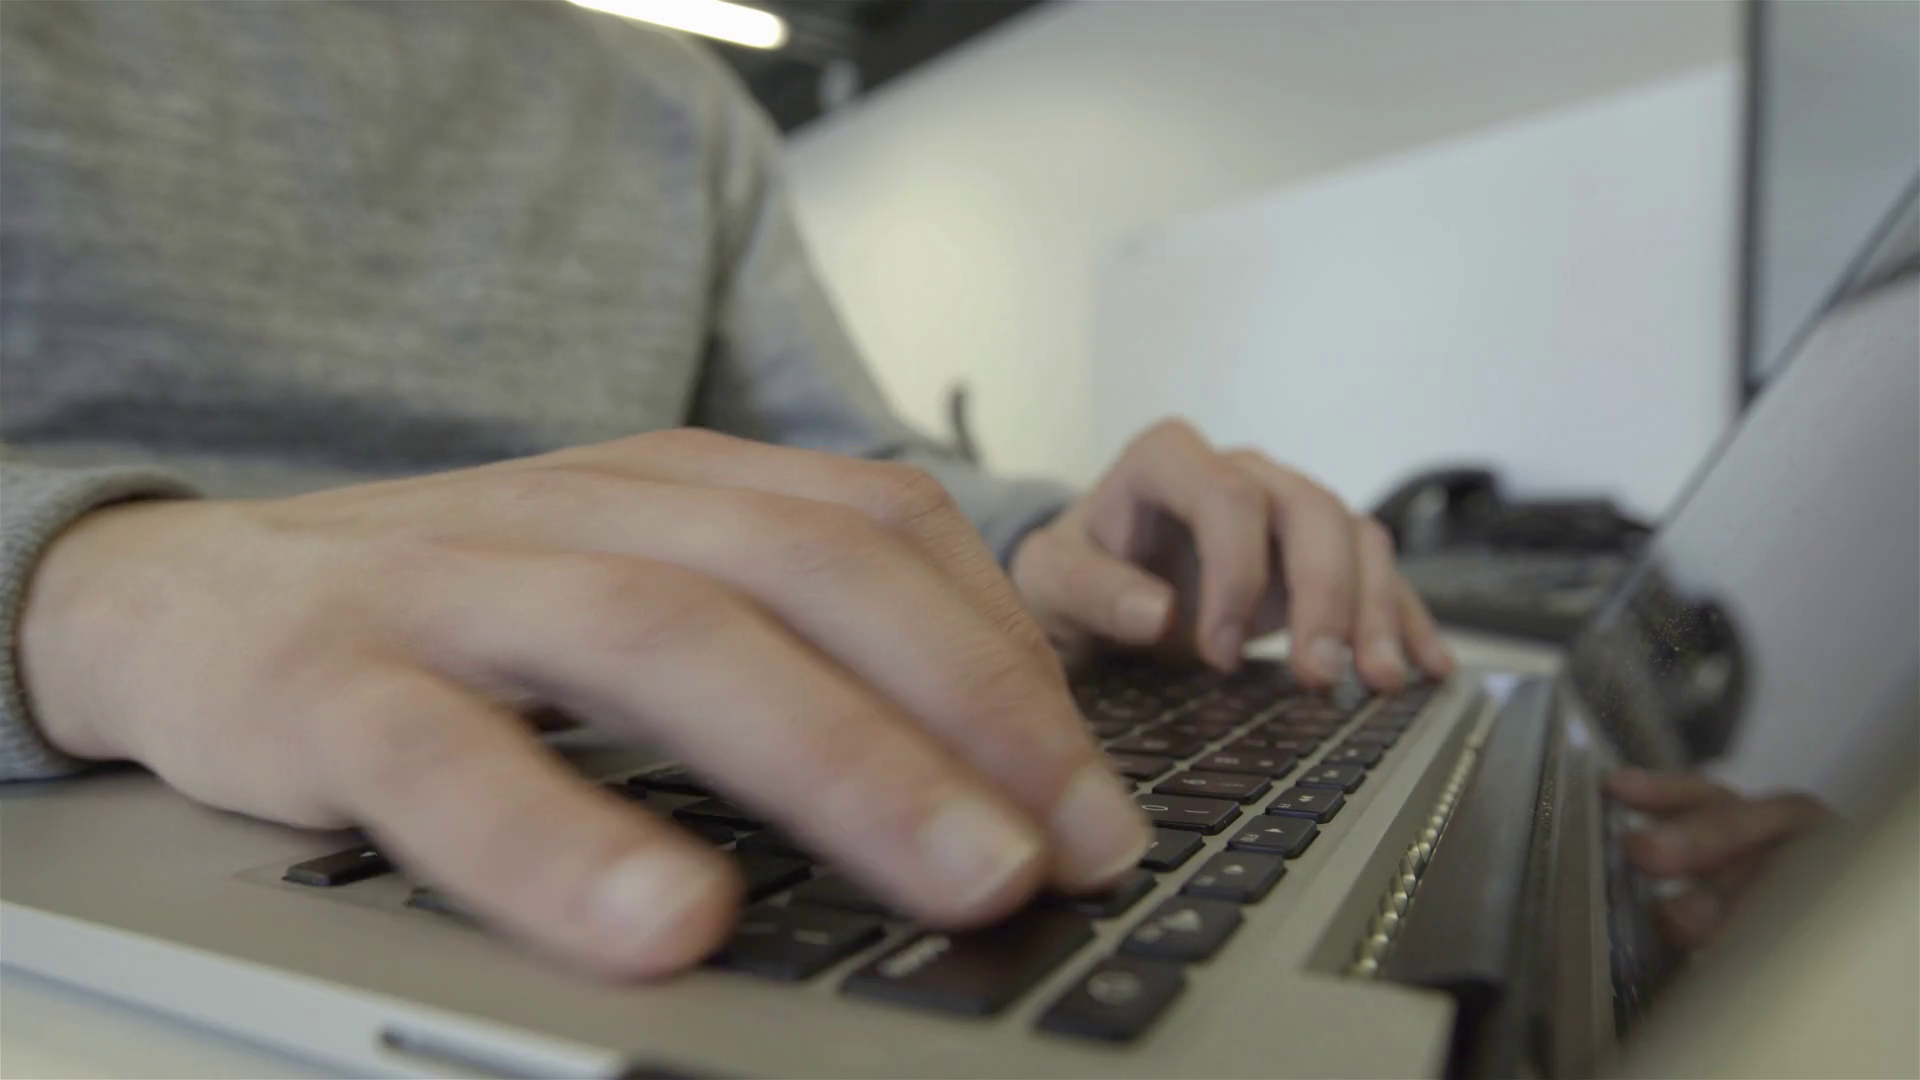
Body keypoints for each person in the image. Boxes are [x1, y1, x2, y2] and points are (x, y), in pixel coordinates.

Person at [0, 2, 1814, 980]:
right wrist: (82, 587)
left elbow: (847, 457)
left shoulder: (666, 107)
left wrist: (1039, 539)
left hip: (663, 762)